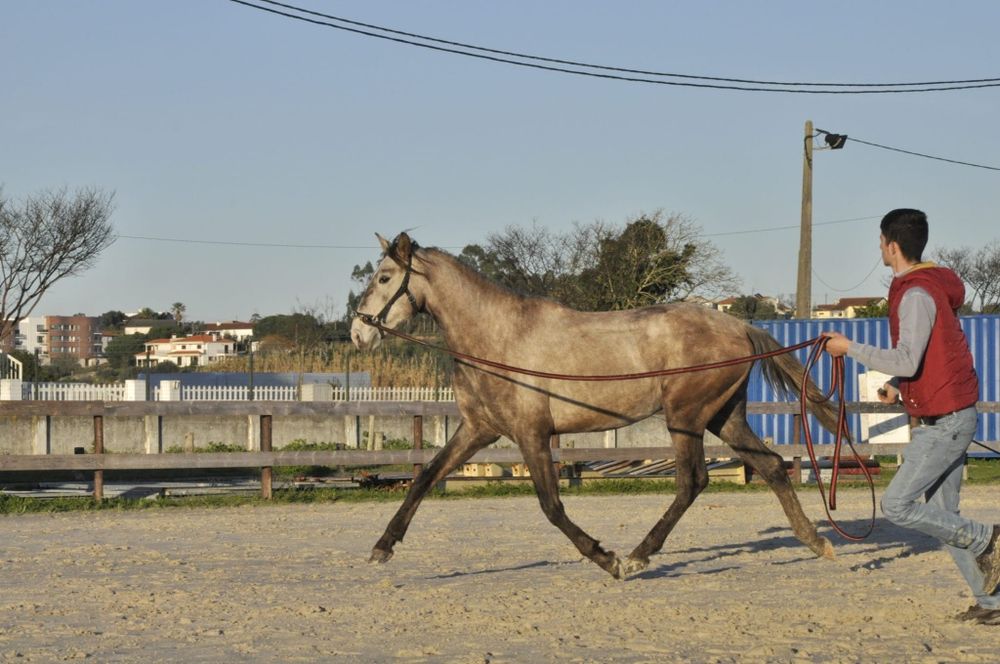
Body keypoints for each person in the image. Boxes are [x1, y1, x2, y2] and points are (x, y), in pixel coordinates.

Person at [822, 208, 1000, 625]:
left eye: (880, 241)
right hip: (946, 413)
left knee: (897, 505)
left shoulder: (917, 294)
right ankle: (993, 602)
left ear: (891, 244)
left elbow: (907, 356)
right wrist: (900, 387)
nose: (880, 247)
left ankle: (989, 538)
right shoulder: (924, 288)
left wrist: (850, 349)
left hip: (947, 420)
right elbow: (930, 356)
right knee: (944, 519)